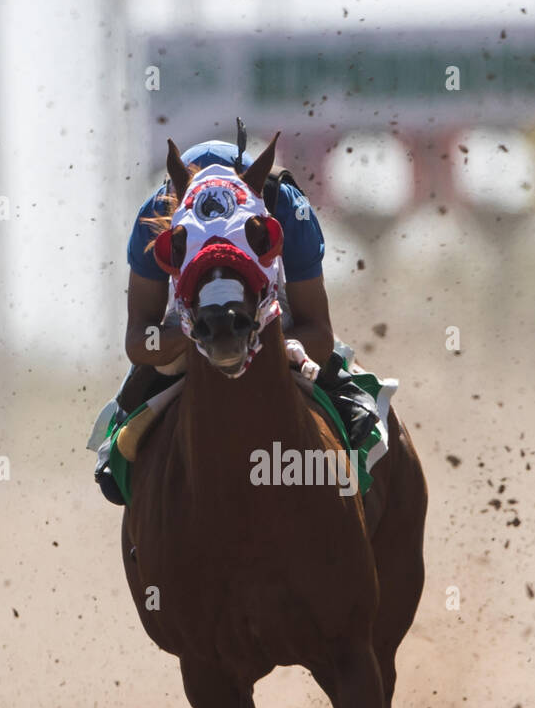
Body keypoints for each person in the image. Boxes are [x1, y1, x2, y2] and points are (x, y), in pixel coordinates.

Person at [91, 134, 378, 504]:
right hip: (191, 309)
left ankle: (365, 448)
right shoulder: (156, 215)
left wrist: (273, 337)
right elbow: (139, 341)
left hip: (267, 304)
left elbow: (318, 333)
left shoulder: (287, 205)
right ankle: (121, 459)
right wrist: (194, 333)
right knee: (122, 453)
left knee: (356, 414)